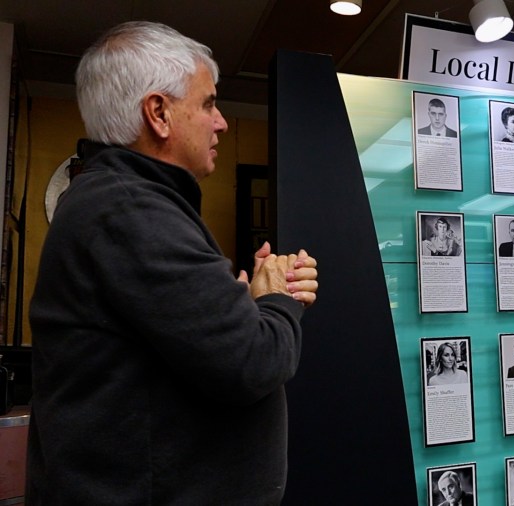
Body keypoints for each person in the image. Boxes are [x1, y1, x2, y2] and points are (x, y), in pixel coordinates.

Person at [26, 21, 319, 505]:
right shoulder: (131, 212)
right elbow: (254, 360)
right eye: (207, 103)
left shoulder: (123, 203)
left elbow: (183, 344)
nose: (221, 121)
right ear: (158, 113)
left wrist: (249, 304)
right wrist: (277, 299)